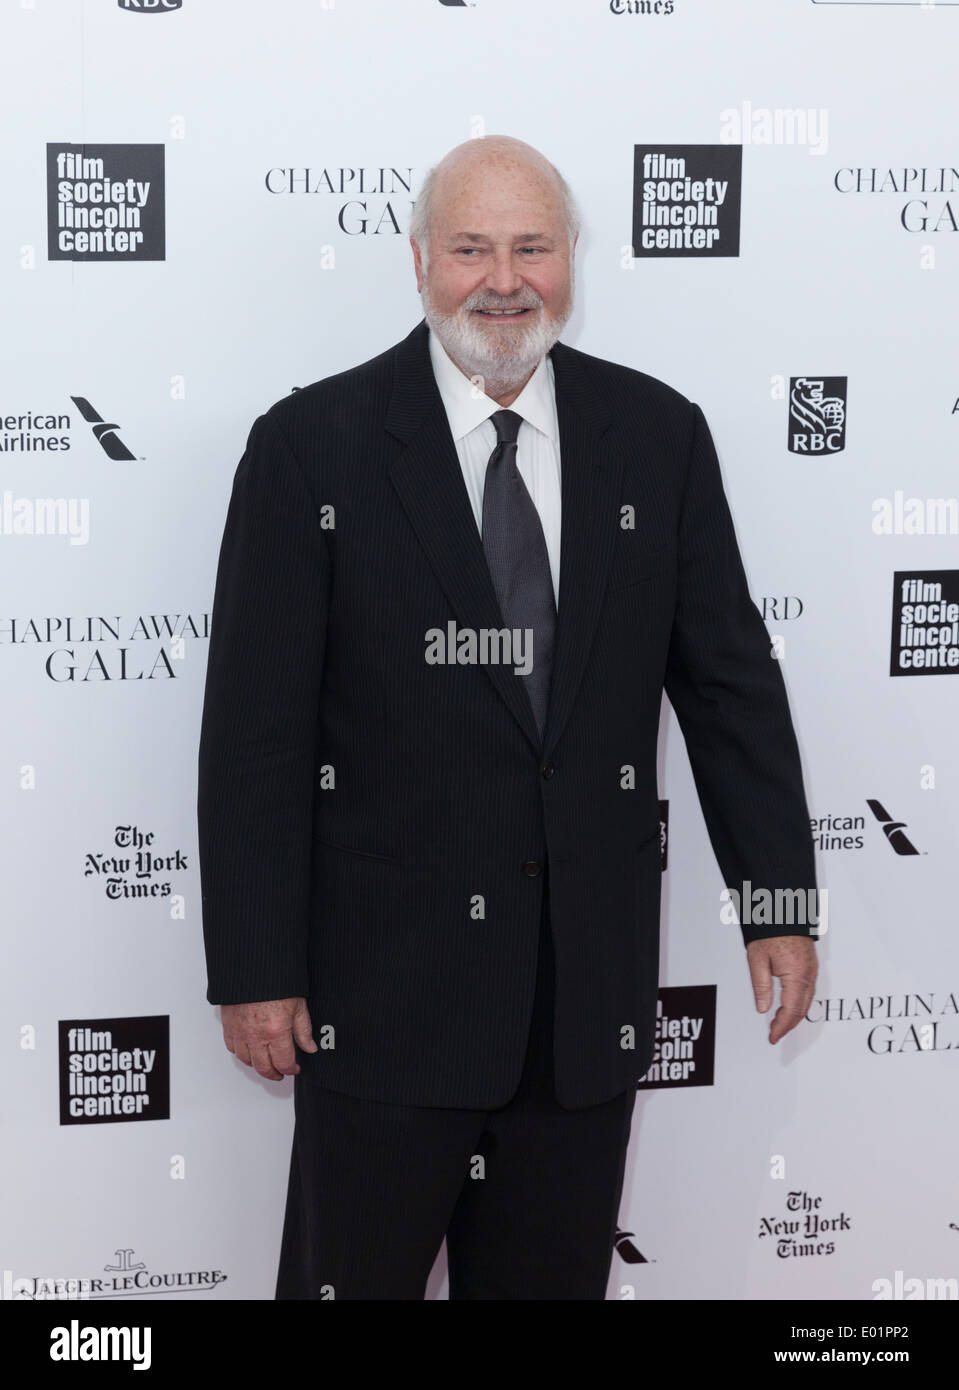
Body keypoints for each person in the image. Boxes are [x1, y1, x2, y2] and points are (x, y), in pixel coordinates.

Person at [196, 134, 818, 1301]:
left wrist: (776, 897)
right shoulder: (309, 448)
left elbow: (729, 684)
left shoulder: (658, 436)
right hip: (380, 1005)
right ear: (420, 260)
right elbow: (254, 735)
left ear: (569, 258)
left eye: (531, 246)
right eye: (471, 247)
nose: (502, 277)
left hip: (578, 1011)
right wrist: (254, 964)